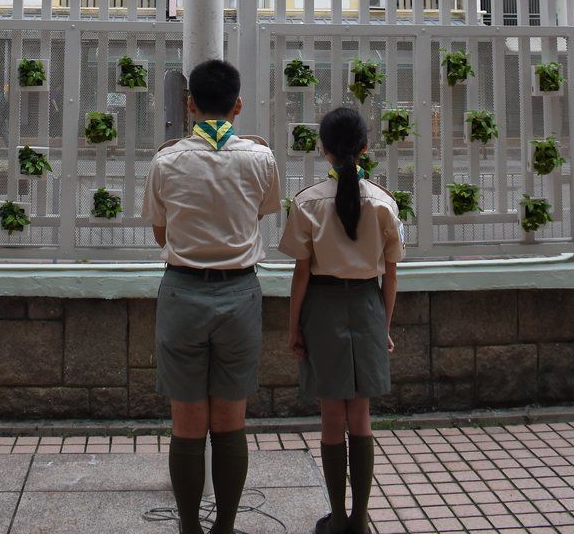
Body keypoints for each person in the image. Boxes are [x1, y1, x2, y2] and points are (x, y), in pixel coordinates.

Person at [142, 59, 281, 534]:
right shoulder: (260, 159)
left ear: (190, 105)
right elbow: (260, 214)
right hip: (240, 293)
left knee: (186, 422)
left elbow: (161, 231)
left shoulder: (167, 160)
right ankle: (224, 526)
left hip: (182, 292)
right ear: (238, 105)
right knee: (230, 420)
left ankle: (189, 528)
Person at [279, 106, 404, 534]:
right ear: (366, 147)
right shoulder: (384, 203)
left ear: (323, 149)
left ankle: (336, 517)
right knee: (361, 418)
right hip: (367, 306)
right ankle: (359, 519)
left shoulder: (307, 202)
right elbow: (391, 274)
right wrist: (383, 326)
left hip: (323, 307)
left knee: (331, 416)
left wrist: (294, 327)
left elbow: (300, 274)